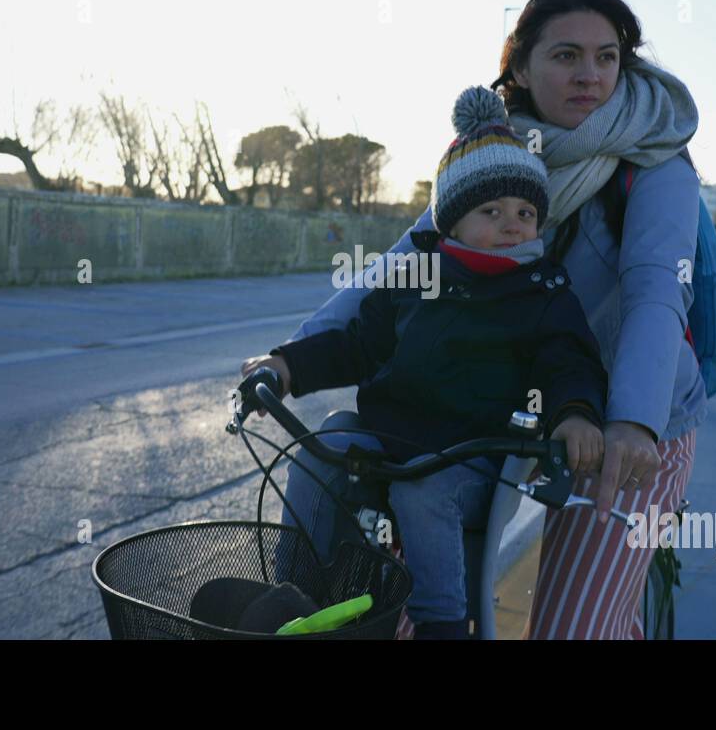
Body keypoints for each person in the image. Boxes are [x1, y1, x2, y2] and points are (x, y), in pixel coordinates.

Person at [255, 0, 707, 640]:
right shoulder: (488, 154)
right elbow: (400, 266)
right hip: (499, 416)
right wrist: (286, 359)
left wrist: (632, 420)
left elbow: (655, 290)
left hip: (634, 422)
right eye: (566, 56)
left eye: (606, 57)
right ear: (521, 66)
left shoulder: (655, 158)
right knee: (398, 601)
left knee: (577, 628)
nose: (590, 75)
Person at [241, 86, 609, 639]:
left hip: (472, 458)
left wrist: (575, 412)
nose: (513, 224)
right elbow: (356, 344)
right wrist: (288, 367)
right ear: (453, 221)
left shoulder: (543, 292)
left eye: (526, 212)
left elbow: (568, 363)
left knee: (425, 491)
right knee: (321, 453)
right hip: (389, 438)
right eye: (492, 211)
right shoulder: (416, 278)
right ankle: (296, 597)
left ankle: (442, 624)